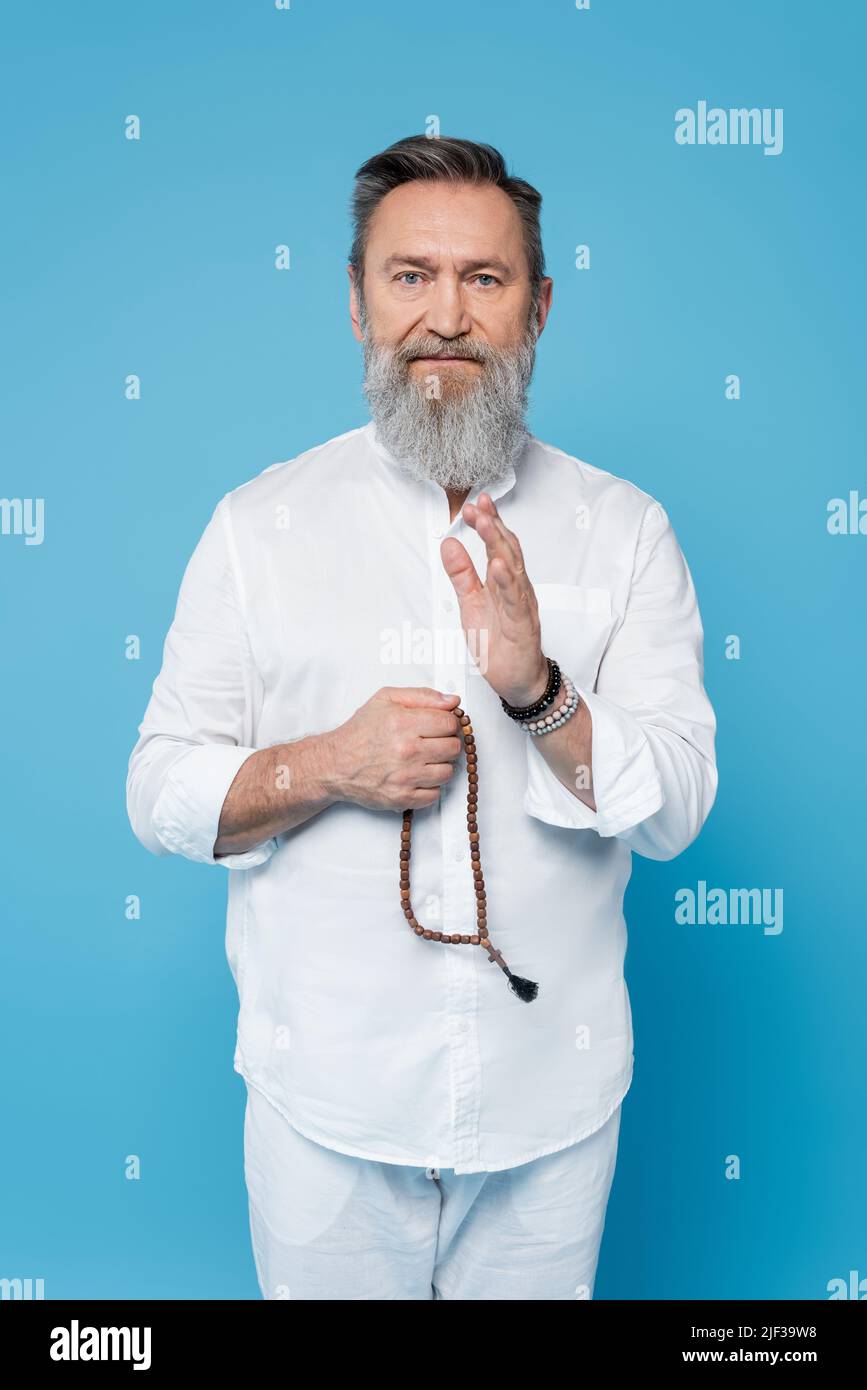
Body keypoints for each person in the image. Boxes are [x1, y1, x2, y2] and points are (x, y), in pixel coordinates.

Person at [126, 135, 718, 1300]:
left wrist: (540, 693)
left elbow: (678, 810)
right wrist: (325, 766)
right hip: (325, 1118)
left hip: (552, 1117)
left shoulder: (626, 529)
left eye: (484, 280)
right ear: (357, 302)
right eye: (410, 276)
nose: (446, 315)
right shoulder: (257, 528)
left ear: (537, 307)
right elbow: (158, 792)